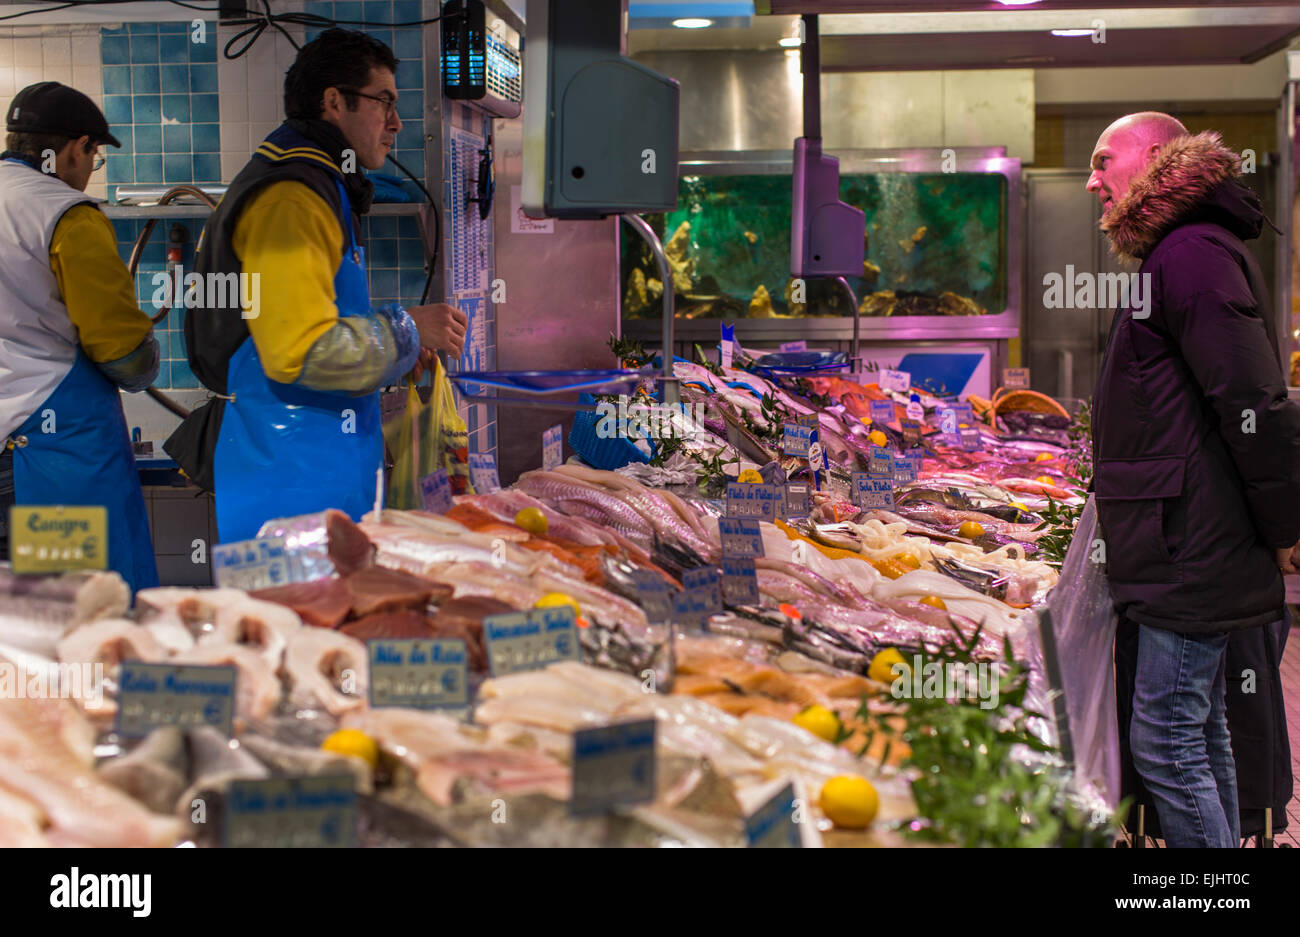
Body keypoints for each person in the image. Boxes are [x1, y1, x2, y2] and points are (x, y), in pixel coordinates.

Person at [1086, 111, 1300, 847]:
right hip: (1185, 539)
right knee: (1198, 734)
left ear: (1153, 158)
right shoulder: (1182, 251)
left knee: (1168, 744)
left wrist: (1285, 528)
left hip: (1191, 546)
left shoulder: (1190, 253)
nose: (1092, 180)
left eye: (1102, 160)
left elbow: (1254, 402)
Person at [166, 29, 466, 543]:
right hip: (290, 490)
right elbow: (299, 351)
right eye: (384, 103)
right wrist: (406, 331)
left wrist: (394, 356)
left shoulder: (322, 184)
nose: (395, 123)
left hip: (315, 478)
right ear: (333, 101)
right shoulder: (292, 196)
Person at [0, 82, 160, 591]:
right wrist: (145, 359)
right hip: (53, 460)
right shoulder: (65, 213)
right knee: (76, 610)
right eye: (95, 155)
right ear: (77, 147)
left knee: (17, 633)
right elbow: (125, 353)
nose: (90, 171)